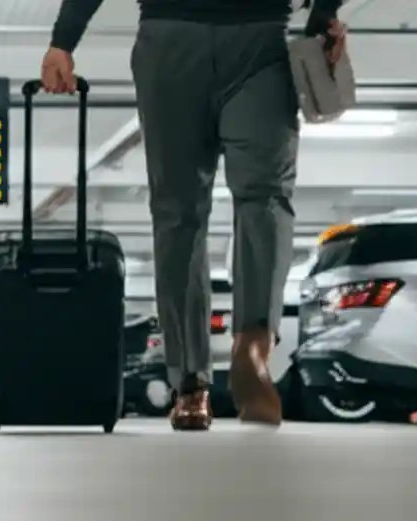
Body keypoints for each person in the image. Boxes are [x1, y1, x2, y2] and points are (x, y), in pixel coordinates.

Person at [42, 0, 347, 429]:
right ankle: (246, 348)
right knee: (262, 198)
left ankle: (197, 382)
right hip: (246, 37)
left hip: (188, 39)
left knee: (180, 214)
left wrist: (63, 41)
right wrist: (321, 18)